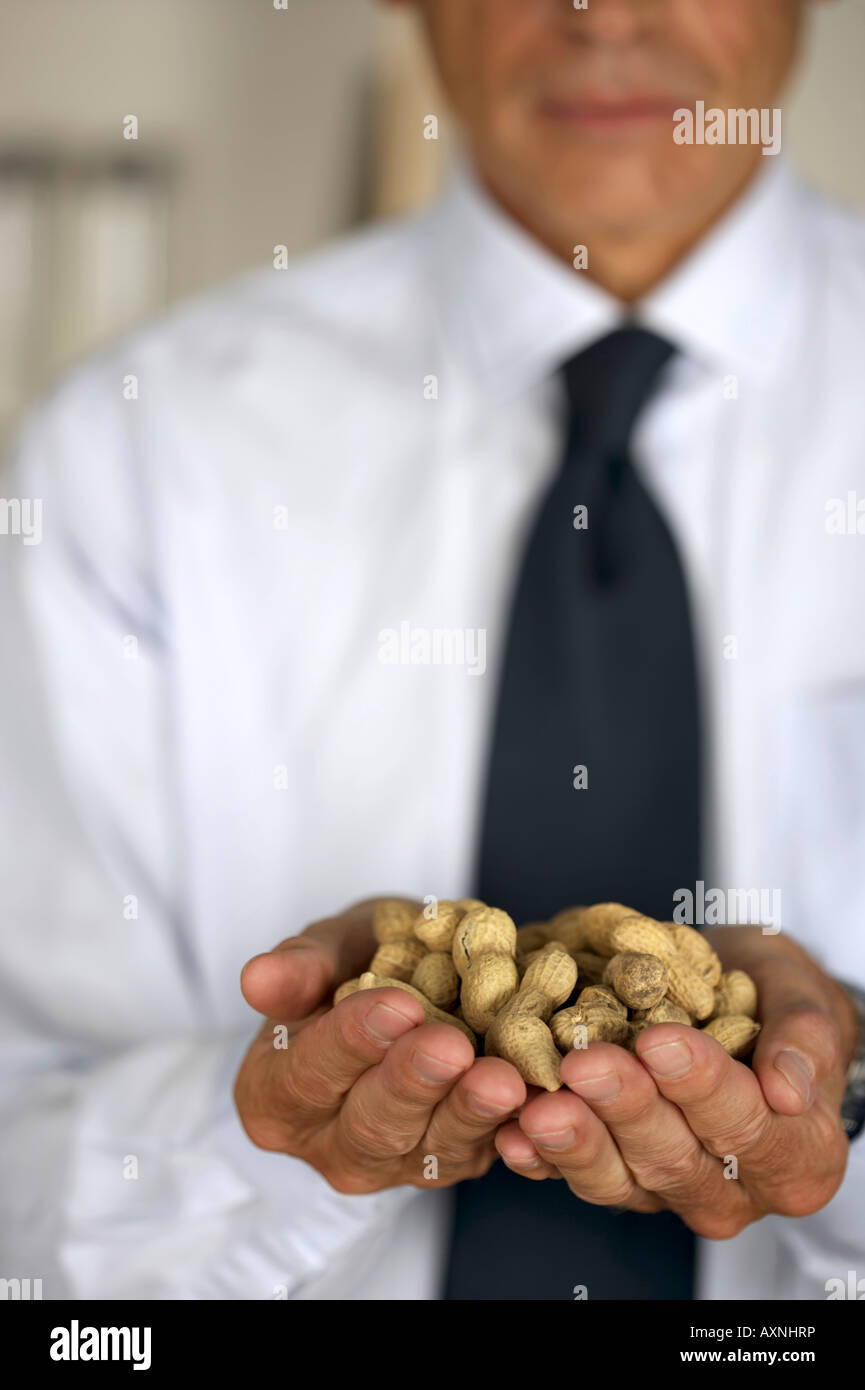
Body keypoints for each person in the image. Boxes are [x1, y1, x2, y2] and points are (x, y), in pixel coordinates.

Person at [1, 0, 864, 1301]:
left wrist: (849, 1089)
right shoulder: (136, 450)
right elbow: (21, 1166)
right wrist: (276, 1130)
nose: (605, 17)